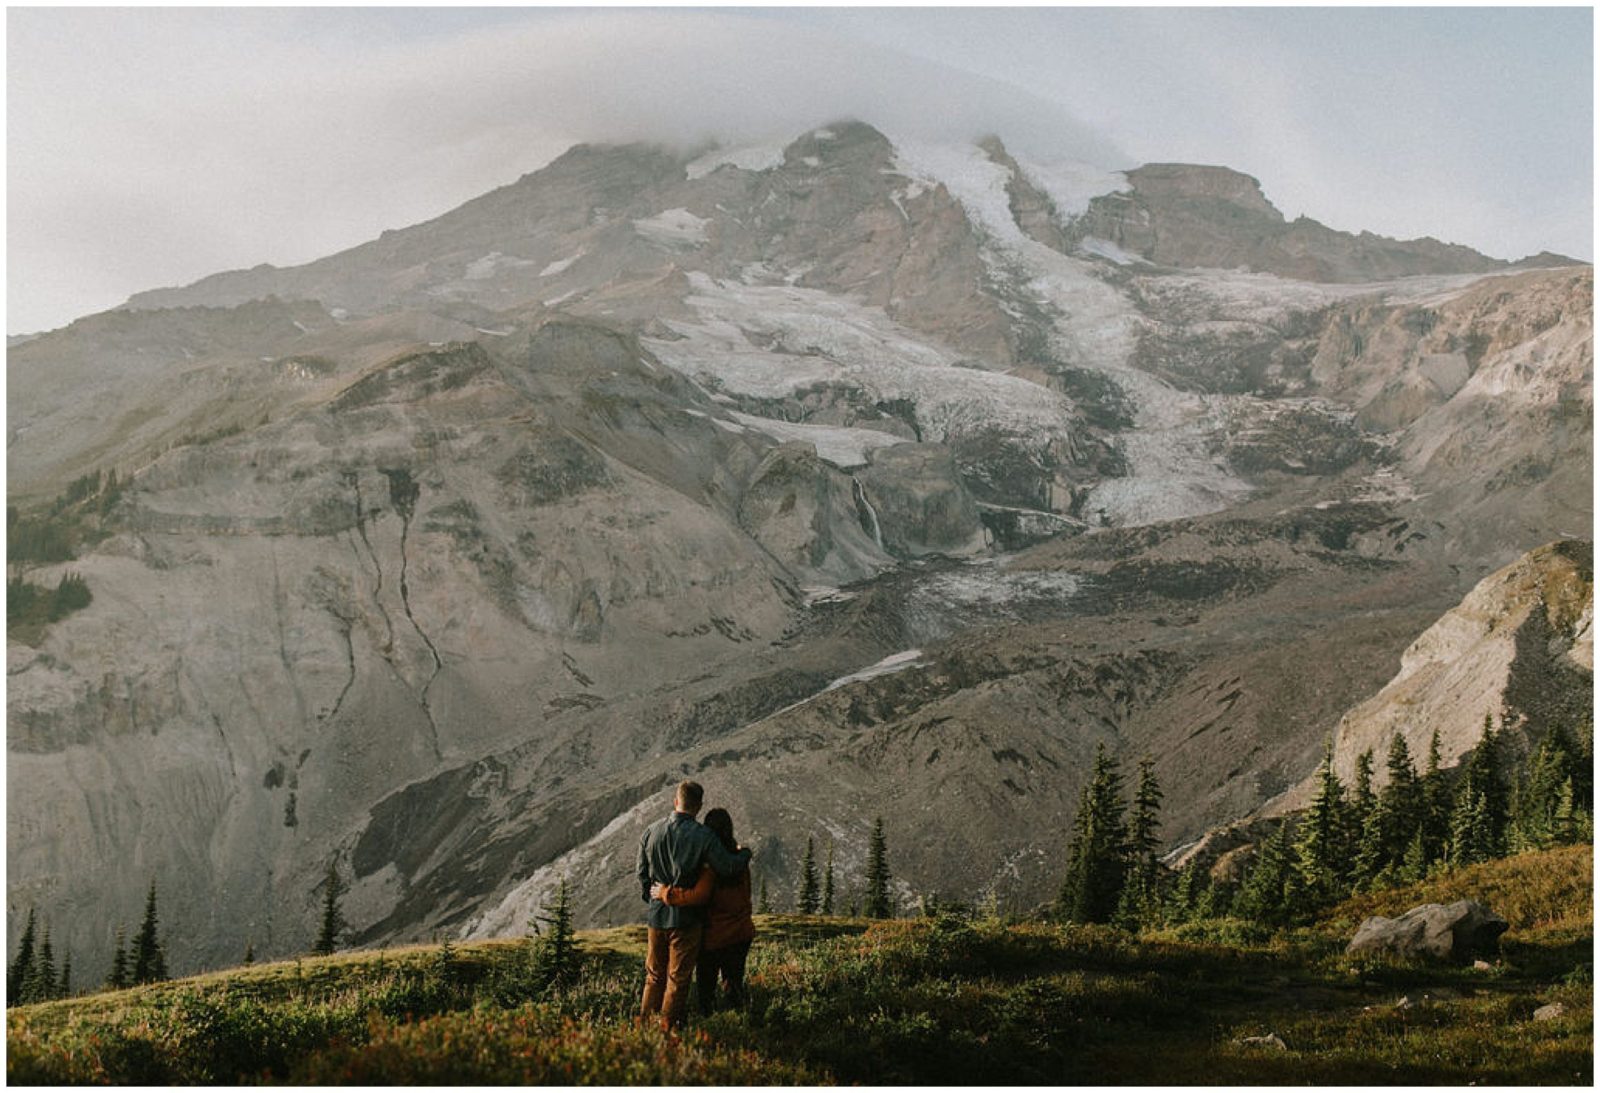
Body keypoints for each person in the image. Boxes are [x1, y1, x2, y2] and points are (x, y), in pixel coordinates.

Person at [636, 780, 751, 1030]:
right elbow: (728, 867)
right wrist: (746, 853)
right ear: (698, 806)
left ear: (675, 800)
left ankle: (643, 1030)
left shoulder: (650, 831)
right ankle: (666, 1032)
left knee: (654, 976)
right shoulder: (704, 836)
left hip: (657, 918)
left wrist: (654, 898)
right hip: (687, 921)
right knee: (677, 979)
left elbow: (642, 874)